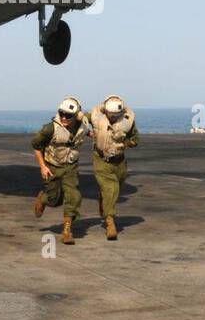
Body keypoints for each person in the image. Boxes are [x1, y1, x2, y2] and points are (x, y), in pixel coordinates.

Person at [31, 96, 88, 244]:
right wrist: (43, 167)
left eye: (68, 115)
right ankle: (43, 198)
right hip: (52, 166)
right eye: (61, 113)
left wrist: (92, 133)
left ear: (77, 116)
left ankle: (67, 231)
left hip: (71, 166)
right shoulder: (50, 128)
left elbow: (95, 118)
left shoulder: (83, 124)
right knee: (54, 200)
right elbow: (36, 146)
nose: (63, 117)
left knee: (74, 196)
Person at [88, 95, 139, 241]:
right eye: (110, 115)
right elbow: (79, 121)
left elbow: (136, 139)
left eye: (116, 115)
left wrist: (125, 143)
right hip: (101, 160)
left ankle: (104, 201)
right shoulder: (95, 116)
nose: (112, 118)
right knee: (112, 188)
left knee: (115, 189)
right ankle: (110, 222)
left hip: (119, 162)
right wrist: (87, 132)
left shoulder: (128, 121)